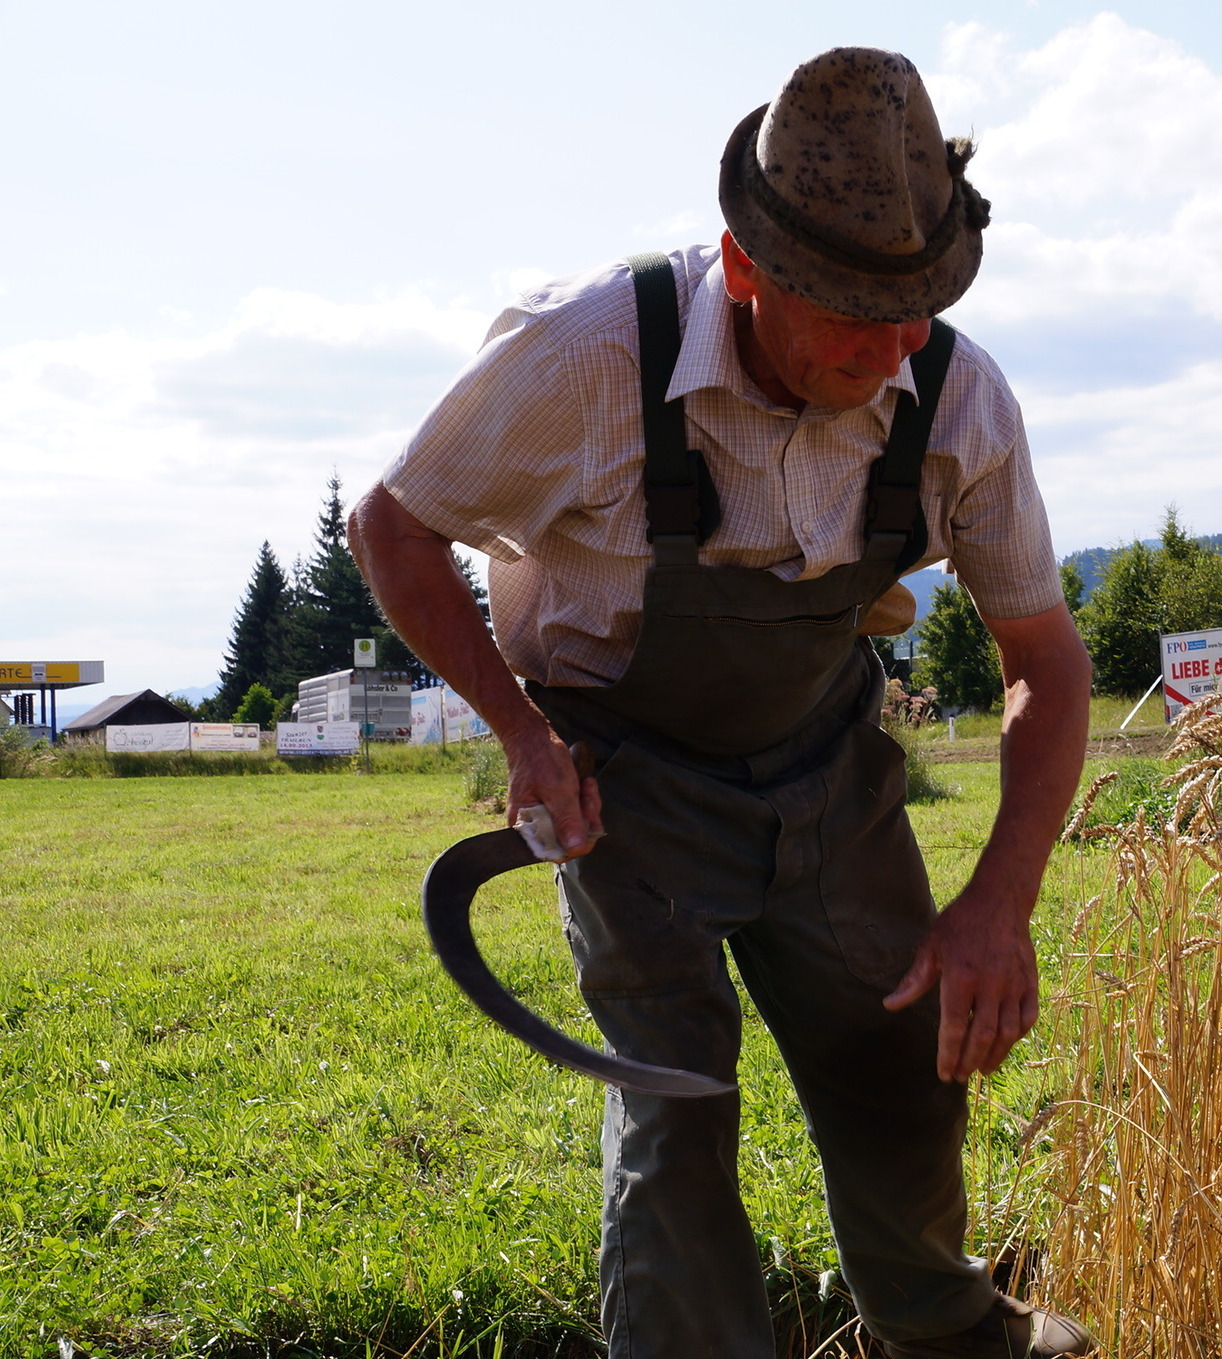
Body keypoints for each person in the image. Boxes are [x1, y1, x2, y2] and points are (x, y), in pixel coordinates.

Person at [349, 47, 1097, 1359]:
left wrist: (999, 902)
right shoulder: (586, 353)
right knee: (677, 1098)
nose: (895, 347)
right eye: (856, 314)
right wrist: (524, 736)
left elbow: (1046, 654)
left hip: (829, 764)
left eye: (918, 308)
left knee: (901, 1061)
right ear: (747, 270)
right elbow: (394, 528)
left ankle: (949, 1335)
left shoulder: (957, 398)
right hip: (626, 782)